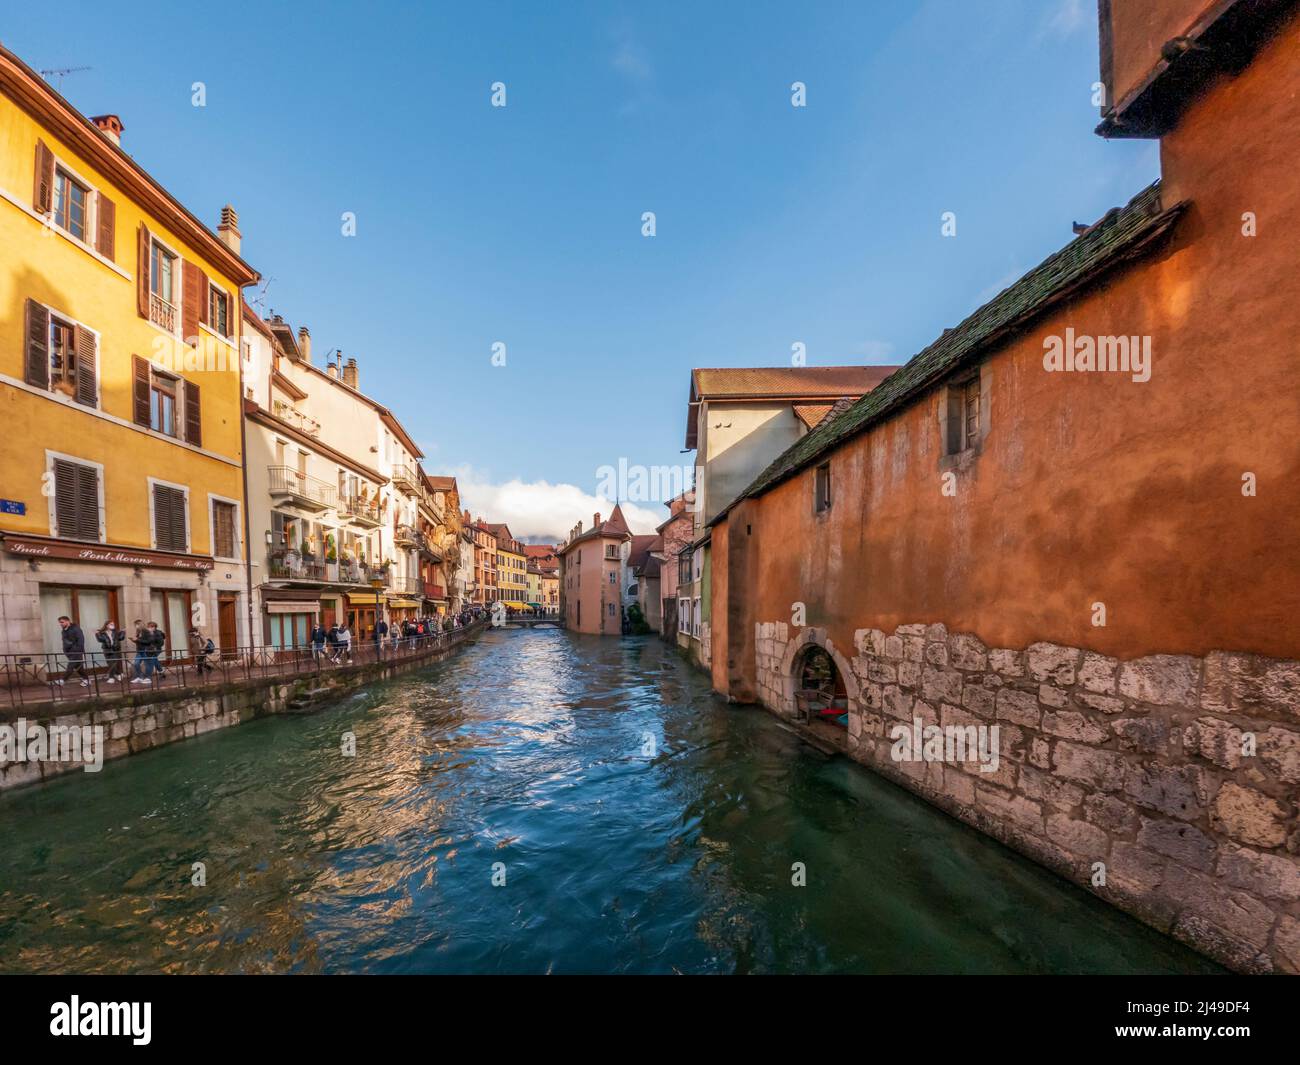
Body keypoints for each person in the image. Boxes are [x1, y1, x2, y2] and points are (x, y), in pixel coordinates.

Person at [55, 615, 89, 687]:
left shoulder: (76, 629)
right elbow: (64, 641)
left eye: (62, 622)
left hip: (76, 651)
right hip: (69, 652)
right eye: (60, 623)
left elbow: (81, 640)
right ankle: (87, 680)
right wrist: (66, 651)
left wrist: (78, 650)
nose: (61, 624)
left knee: (71, 665)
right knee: (78, 667)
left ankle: (62, 680)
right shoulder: (64, 631)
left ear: (68, 621)